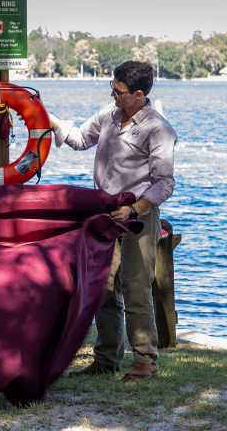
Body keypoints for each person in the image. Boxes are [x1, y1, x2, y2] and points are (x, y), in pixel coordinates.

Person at [49, 60, 176, 380]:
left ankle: (145, 361)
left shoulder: (159, 129)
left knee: (135, 288)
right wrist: (48, 119)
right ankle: (106, 359)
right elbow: (79, 139)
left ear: (137, 94)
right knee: (103, 288)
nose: (112, 94)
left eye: (117, 91)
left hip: (138, 218)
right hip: (104, 215)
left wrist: (136, 208)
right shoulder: (109, 114)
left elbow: (164, 182)